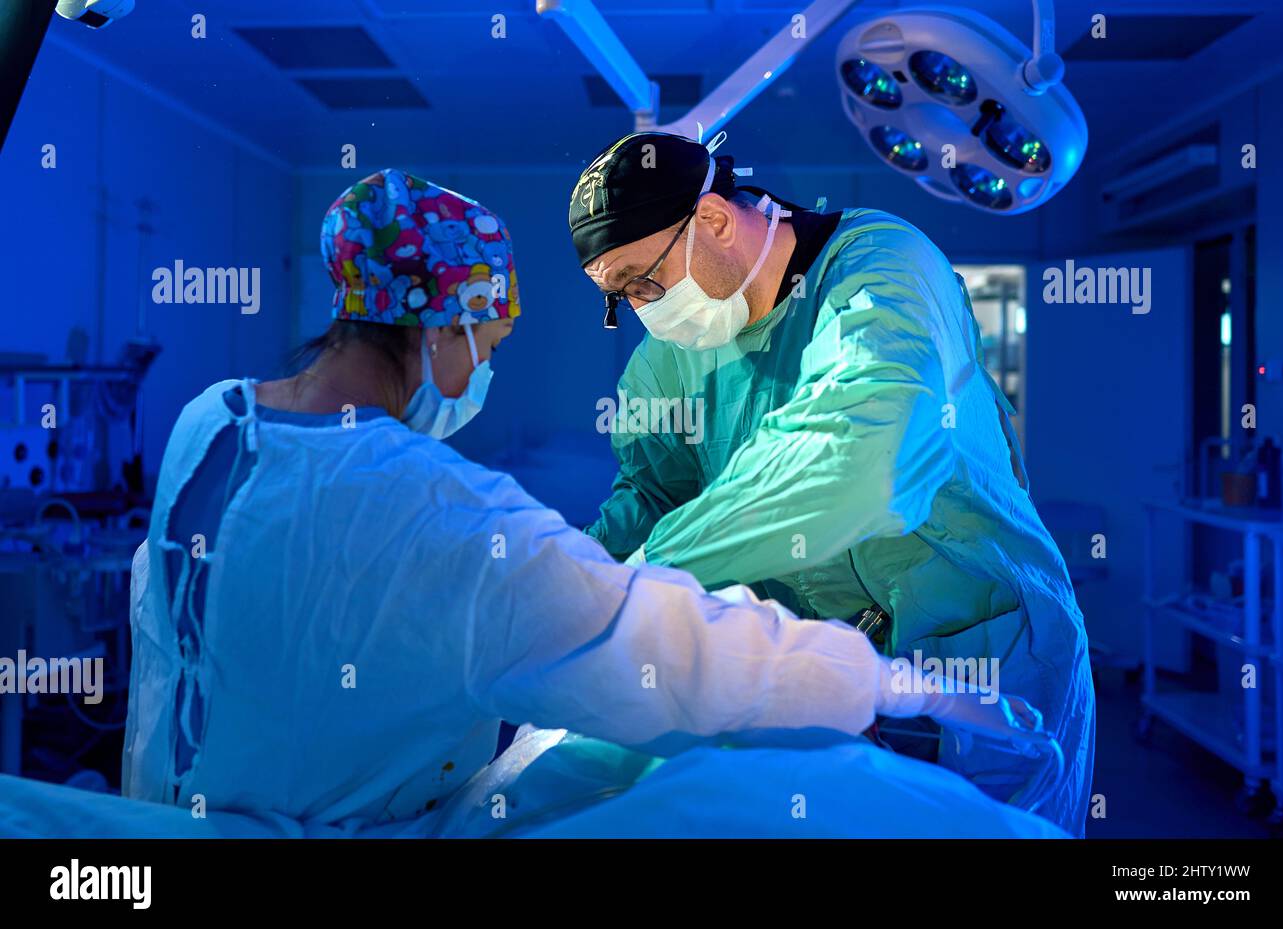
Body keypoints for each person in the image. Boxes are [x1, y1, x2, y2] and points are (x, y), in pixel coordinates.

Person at [119, 168, 1054, 836]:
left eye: (646, 282)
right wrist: (877, 680)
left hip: (990, 639)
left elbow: (864, 456)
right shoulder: (436, 512)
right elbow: (652, 634)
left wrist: (603, 573)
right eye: (490, 337)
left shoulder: (213, 423)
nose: (485, 365)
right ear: (445, 321)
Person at [569, 132, 1095, 835]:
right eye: (618, 297)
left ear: (715, 221)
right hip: (826, 689)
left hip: (985, 655)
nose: (641, 308)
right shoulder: (671, 361)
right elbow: (652, 497)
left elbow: (863, 461)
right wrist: (566, 582)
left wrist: (647, 573)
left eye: (643, 281)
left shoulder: (881, 268)